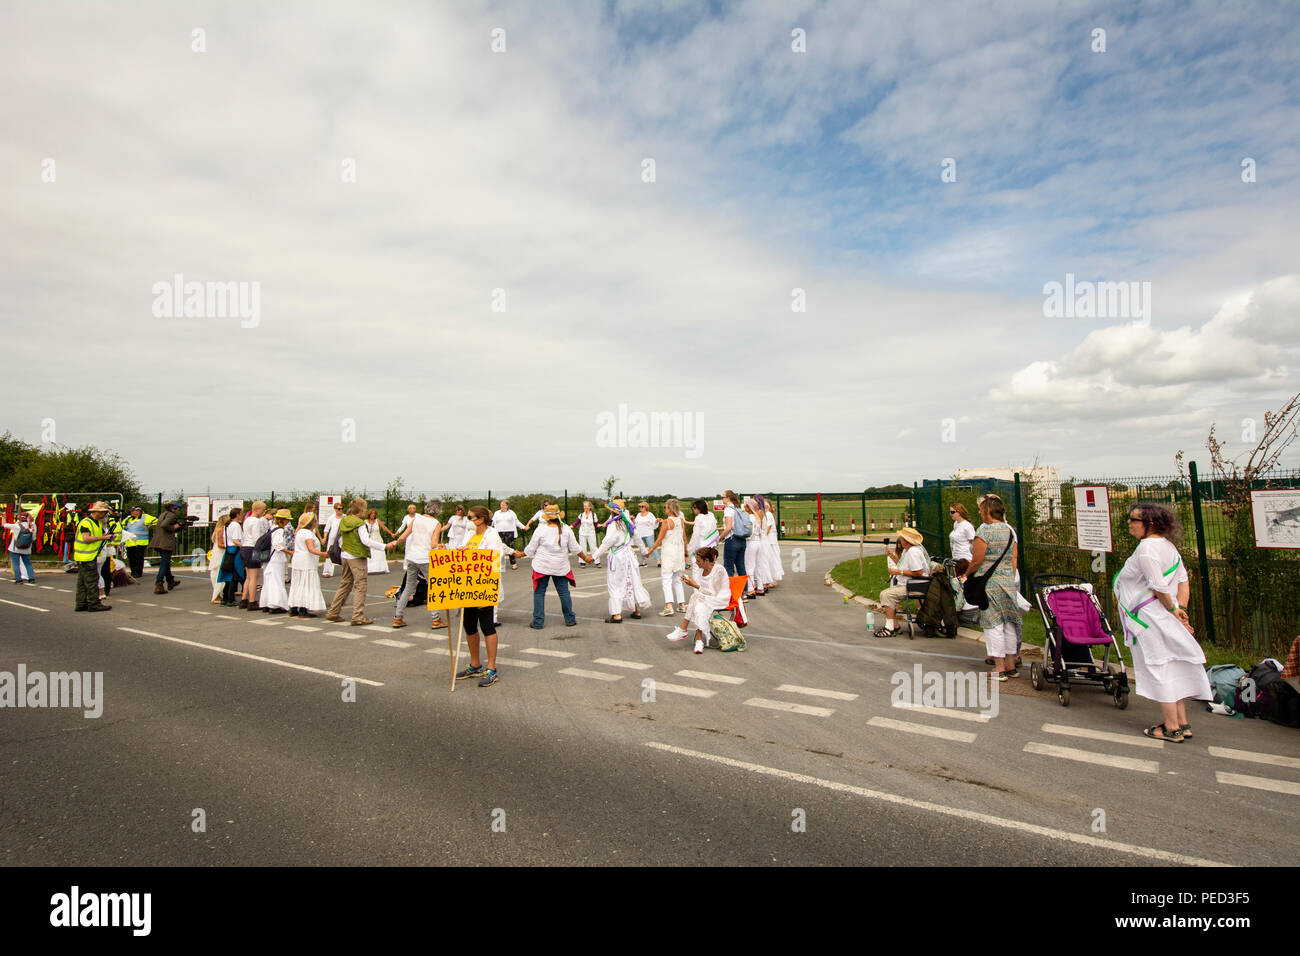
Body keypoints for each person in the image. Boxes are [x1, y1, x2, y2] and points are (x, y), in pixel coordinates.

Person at [1116, 502, 1211, 742]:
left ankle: (1171, 728)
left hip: (1149, 618)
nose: (1129, 522)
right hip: (1163, 616)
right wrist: (1180, 610)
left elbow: (1158, 585)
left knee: (1159, 668)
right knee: (1173, 666)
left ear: (1150, 524)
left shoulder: (1146, 549)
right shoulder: (1168, 547)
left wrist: (1173, 610)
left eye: (1133, 519)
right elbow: (1183, 580)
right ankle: (1182, 722)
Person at [964, 494, 1020, 679]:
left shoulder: (985, 532)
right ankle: (1012, 664)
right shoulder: (1010, 531)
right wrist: (1008, 577)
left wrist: (968, 574)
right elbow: (1013, 557)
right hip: (1007, 582)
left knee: (993, 624)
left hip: (989, 584)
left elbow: (977, 560)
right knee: (1009, 623)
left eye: (981, 511)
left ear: (988, 512)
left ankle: (999, 666)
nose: (980, 514)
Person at [454, 505, 507, 688]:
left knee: (487, 626)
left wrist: (472, 554)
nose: (468, 520)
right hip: (469, 586)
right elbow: (461, 550)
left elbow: (495, 556)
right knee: (469, 625)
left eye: (471, 517)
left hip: (484, 586)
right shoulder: (470, 534)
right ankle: (475, 664)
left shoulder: (492, 535)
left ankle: (491, 668)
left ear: (481, 518)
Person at [515, 504, 587, 629]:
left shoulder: (541, 530)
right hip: (560, 566)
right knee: (564, 593)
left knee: (539, 593)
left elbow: (531, 549)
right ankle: (570, 619)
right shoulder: (566, 529)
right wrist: (586, 558)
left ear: (547, 518)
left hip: (542, 565)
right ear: (559, 516)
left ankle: (538, 621)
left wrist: (520, 554)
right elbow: (575, 549)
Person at [324, 498, 385, 626]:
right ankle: (358, 616)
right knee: (360, 586)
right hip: (357, 557)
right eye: (365, 509)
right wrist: (384, 546)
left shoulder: (344, 520)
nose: (366, 511)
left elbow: (339, 539)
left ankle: (333, 612)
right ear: (361, 510)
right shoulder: (359, 523)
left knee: (345, 584)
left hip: (345, 556)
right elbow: (365, 541)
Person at [389, 499, 447, 630]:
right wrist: (440, 546)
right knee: (433, 587)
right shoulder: (436, 523)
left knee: (409, 586)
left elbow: (404, 536)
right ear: (438, 510)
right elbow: (433, 544)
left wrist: (396, 543)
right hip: (425, 558)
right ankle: (435, 618)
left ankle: (398, 617)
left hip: (411, 557)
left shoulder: (416, 518)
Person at [591, 499, 651, 623]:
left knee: (615, 584)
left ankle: (617, 614)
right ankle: (636, 610)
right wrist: (644, 551)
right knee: (633, 581)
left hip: (618, 557)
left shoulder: (614, 525)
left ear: (612, 512)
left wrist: (594, 556)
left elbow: (607, 543)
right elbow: (637, 537)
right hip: (629, 556)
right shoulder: (627, 522)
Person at [666, 546, 731, 654]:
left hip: (720, 598)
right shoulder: (701, 570)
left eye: (699, 561)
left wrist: (695, 585)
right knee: (698, 606)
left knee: (695, 598)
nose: (696, 563)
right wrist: (691, 582)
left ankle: (684, 629)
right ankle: (699, 641)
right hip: (707, 598)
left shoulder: (718, 569)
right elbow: (702, 591)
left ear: (706, 560)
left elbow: (713, 592)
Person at [873, 527, 932, 637]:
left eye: (902, 538)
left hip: (914, 585)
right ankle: (894, 626)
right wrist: (891, 556)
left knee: (887, 595)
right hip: (909, 583)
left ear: (907, 540)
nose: (900, 539)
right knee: (886, 594)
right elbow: (901, 564)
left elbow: (918, 572)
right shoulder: (908, 551)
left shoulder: (913, 552)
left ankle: (889, 627)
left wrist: (898, 572)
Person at [645, 498, 687, 616]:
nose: (665, 509)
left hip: (669, 552)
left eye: (665, 507)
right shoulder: (681, 520)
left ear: (669, 509)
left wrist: (650, 551)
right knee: (677, 579)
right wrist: (686, 551)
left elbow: (659, 539)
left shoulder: (667, 522)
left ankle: (669, 606)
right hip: (678, 551)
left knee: (666, 579)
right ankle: (682, 604)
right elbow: (684, 537)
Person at [73, 501, 113, 612]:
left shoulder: (96, 523)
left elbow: (96, 536)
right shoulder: (86, 523)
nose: (105, 515)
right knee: (92, 581)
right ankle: (93, 603)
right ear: (99, 512)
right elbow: (86, 538)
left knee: (82, 582)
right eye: (104, 512)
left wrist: (106, 536)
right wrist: (103, 538)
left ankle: (81, 603)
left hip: (87, 555)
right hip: (87, 556)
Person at [289, 513, 327, 618]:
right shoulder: (308, 534)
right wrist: (324, 554)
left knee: (297, 584)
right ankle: (303, 609)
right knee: (306, 584)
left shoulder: (300, 532)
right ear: (312, 523)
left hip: (297, 560)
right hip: (307, 562)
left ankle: (293, 607)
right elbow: (311, 549)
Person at [258, 509, 294, 614]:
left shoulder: (273, 528)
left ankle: (266, 602)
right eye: (287, 519)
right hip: (277, 558)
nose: (287, 521)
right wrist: (289, 552)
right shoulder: (279, 530)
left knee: (269, 580)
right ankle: (275, 604)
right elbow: (278, 545)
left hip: (271, 557)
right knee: (277, 581)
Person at [150, 500, 185, 595]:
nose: (178, 510)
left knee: (166, 562)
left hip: (158, 541)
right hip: (165, 542)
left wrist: (179, 526)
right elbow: (165, 525)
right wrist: (176, 526)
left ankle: (170, 581)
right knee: (164, 562)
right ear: (173, 508)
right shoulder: (171, 515)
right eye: (178, 508)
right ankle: (159, 584)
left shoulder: (163, 514)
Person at [240, 501, 269, 610]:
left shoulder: (247, 520)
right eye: (262, 510)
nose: (263, 512)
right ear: (257, 509)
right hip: (253, 548)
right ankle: (252, 601)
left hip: (245, 547)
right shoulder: (256, 521)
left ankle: (244, 599)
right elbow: (257, 538)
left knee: (248, 576)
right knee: (254, 577)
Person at [217, 507, 246, 607]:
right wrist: (244, 546)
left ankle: (225, 597)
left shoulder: (228, 525)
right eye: (241, 514)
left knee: (229, 575)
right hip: (235, 550)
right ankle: (230, 599)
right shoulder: (236, 525)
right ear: (237, 515)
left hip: (229, 550)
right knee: (235, 575)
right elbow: (235, 540)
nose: (242, 515)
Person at [120, 505, 156, 579]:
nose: (132, 512)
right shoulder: (128, 518)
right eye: (132, 511)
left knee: (138, 557)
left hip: (141, 542)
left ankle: (138, 572)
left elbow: (157, 521)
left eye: (134, 511)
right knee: (131, 558)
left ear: (139, 511)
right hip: (130, 542)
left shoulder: (145, 517)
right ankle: (133, 572)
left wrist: (151, 525)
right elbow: (122, 525)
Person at [719, 490, 749, 578]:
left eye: (723, 497)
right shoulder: (738, 509)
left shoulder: (728, 509)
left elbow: (728, 527)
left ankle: (729, 590)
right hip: (741, 539)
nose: (722, 499)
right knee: (741, 566)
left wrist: (720, 537)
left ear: (728, 498)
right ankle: (744, 590)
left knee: (729, 567)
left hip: (732, 540)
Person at [742, 497, 768, 596]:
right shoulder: (757, 517)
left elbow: (749, 533)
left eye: (745, 506)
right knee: (758, 565)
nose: (744, 507)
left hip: (751, 542)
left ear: (749, 508)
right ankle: (760, 587)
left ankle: (750, 588)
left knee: (749, 566)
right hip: (758, 542)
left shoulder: (749, 518)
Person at [491, 500, 526, 570]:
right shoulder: (497, 513)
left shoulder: (511, 513)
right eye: (501, 505)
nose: (502, 506)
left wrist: (524, 527)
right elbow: (492, 522)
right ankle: (500, 564)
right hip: (499, 532)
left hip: (510, 532)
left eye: (504, 505)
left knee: (510, 548)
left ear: (507, 506)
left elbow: (517, 522)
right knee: (499, 548)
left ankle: (513, 564)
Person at [4, 510, 37, 584]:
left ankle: (18, 580)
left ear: (19, 519)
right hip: (27, 549)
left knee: (16, 564)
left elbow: (4, 525)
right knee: (28, 563)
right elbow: (34, 538)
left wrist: (3, 517)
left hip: (15, 548)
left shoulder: (16, 526)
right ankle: (31, 578)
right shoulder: (33, 526)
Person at [686, 499, 719, 570]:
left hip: (701, 548)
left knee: (698, 571)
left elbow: (695, 536)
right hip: (712, 546)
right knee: (710, 570)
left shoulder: (699, 518)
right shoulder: (711, 515)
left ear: (699, 508)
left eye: (694, 507)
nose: (693, 509)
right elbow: (715, 531)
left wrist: (688, 550)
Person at [763, 497, 783, 587]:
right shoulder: (765, 514)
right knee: (768, 559)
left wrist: (763, 537)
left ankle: (771, 579)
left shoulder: (768, 515)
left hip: (770, 540)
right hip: (769, 540)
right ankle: (768, 578)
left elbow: (768, 528)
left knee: (771, 559)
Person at [209, 514, 230, 603]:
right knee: (219, 573)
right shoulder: (221, 530)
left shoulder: (217, 529)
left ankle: (218, 594)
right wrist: (229, 546)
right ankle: (217, 595)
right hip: (220, 553)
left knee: (216, 573)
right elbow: (220, 544)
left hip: (216, 553)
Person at [320, 501, 344, 577]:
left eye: (341, 509)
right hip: (332, 537)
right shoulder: (331, 518)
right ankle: (327, 571)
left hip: (342, 537)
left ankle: (346, 570)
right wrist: (324, 538)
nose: (340, 510)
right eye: (338, 509)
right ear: (335, 509)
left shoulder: (345, 517)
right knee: (330, 552)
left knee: (344, 553)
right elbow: (326, 529)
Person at [575, 500, 600, 567]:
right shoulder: (581, 515)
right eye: (584, 506)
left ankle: (597, 562)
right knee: (582, 547)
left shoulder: (593, 515)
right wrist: (570, 526)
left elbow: (596, 524)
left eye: (586, 506)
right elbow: (576, 523)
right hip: (582, 533)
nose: (585, 507)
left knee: (593, 547)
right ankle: (582, 562)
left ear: (589, 507)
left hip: (591, 533)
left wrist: (603, 524)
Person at [633, 501, 659, 568]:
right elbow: (635, 523)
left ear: (646, 507)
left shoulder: (650, 514)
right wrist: (633, 519)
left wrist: (657, 521)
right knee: (642, 548)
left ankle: (658, 561)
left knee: (651, 547)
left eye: (642, 506)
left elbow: (654, 522)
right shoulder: (638, 514)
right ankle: (644, 562)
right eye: (640, 506)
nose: (640, 508)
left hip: (649, 533)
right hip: (640, 534)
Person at [365, 508, 390, 575]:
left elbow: (384, 528)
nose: (373, 515)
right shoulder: (365, 522)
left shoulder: (377, 521)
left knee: (379, 554)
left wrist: (391, 533)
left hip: (378, 539)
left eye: (374, 513)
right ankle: (370, 569)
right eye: (372, 513)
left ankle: (381, 568)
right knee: (371, 555)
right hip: (370, 540)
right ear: (369, 514)